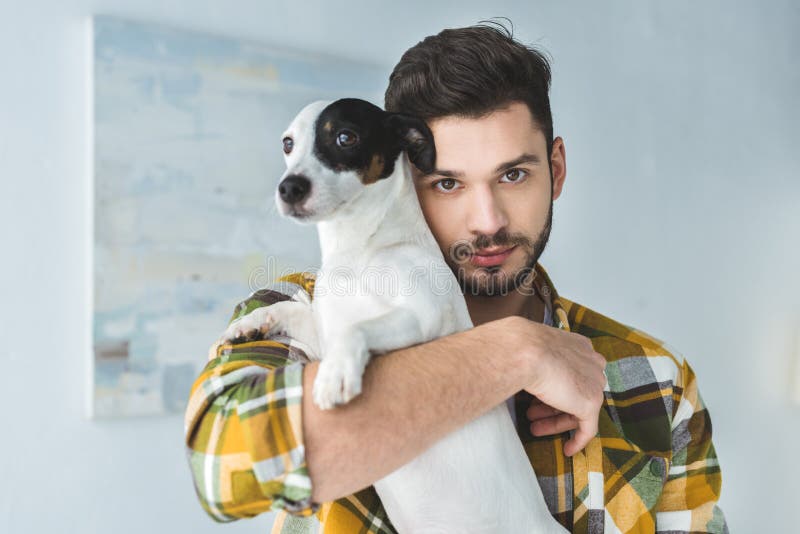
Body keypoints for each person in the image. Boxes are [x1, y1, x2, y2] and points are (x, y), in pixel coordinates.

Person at [184, 22, 728, 534]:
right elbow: (221, 465)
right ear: (401, 173)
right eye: (447, 184)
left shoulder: (656, 377)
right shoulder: (300, 310)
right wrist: (518, 352)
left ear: (556, 170)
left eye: (513, 174)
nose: (487, 221)